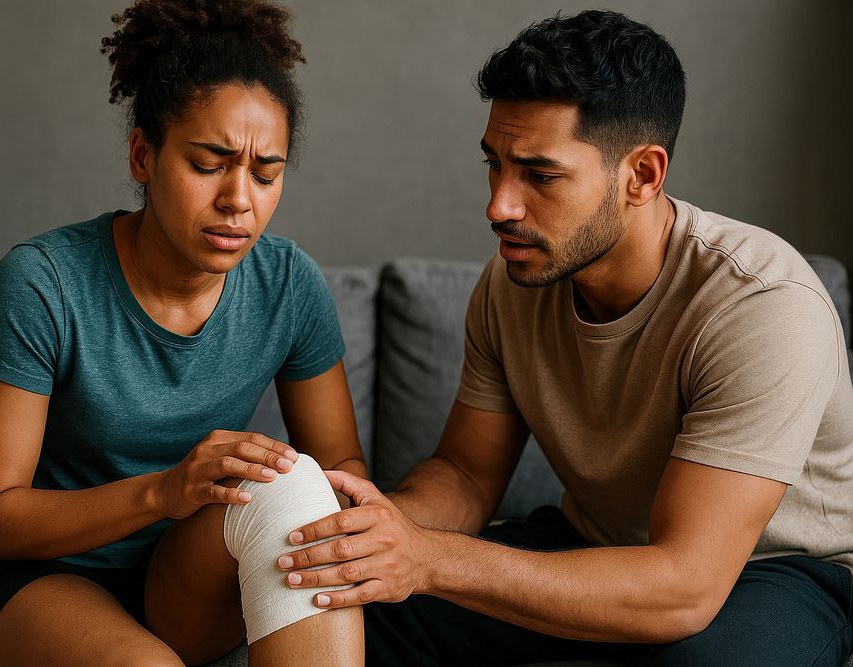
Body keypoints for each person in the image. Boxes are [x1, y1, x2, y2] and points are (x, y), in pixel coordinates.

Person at [275, 10, 853, 666]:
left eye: (539, 175)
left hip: (775, 568)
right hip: (594, 542)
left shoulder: (761, 306)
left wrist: (430, 559)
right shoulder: (511, 285)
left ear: (642, 175)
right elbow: (467, 473)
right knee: (342, 606)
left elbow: (685, 587)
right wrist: (385, 529)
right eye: (494, 164)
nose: (499, 205)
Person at [0, 1, 367, 665]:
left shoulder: (288, 284)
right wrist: (165, 490)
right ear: (143, 153)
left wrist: (323, 504)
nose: (239, 199)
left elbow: (343, 467)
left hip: (178, 573)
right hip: (34, 571)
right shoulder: (42, 283)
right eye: (208, 163)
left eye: (266, 172)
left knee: (294, 481)